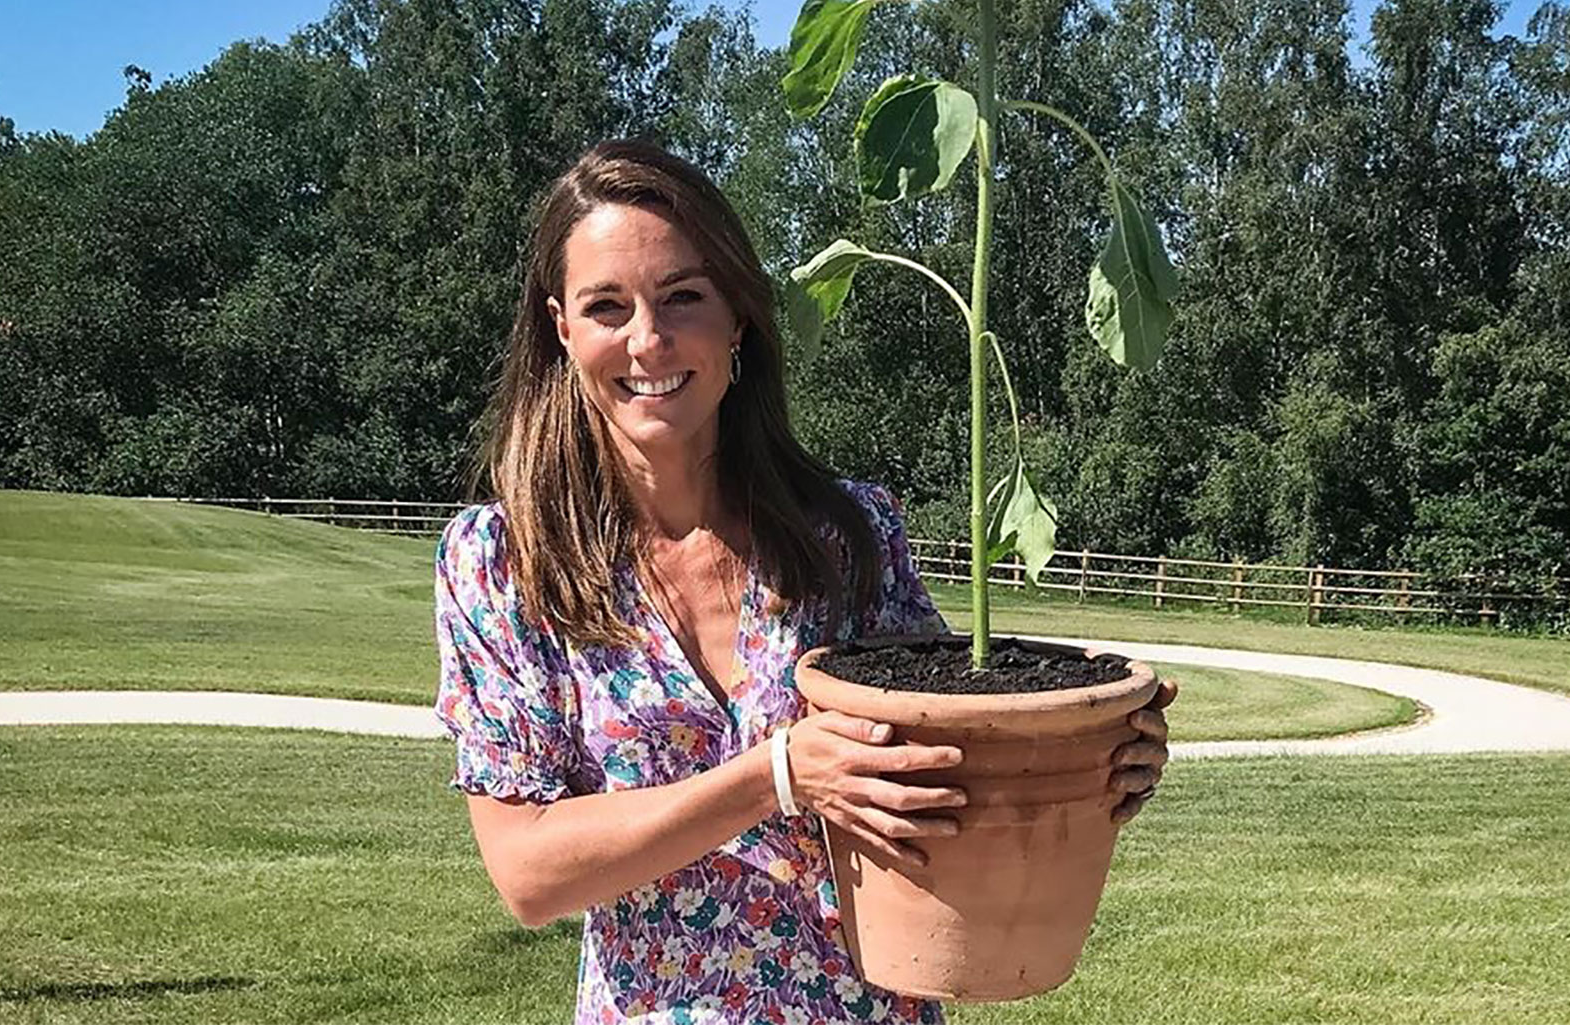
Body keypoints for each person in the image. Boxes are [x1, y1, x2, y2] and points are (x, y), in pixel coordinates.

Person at [433, 139, 1169, 1025]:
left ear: (737, 317)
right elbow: (528, 872)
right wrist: (775, 775)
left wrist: (1098, 764)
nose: (648, 339)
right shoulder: (506, 563)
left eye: (683, 297)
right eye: (607, 306)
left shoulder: (849, 536)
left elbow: (959, 773)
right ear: (563, 328)